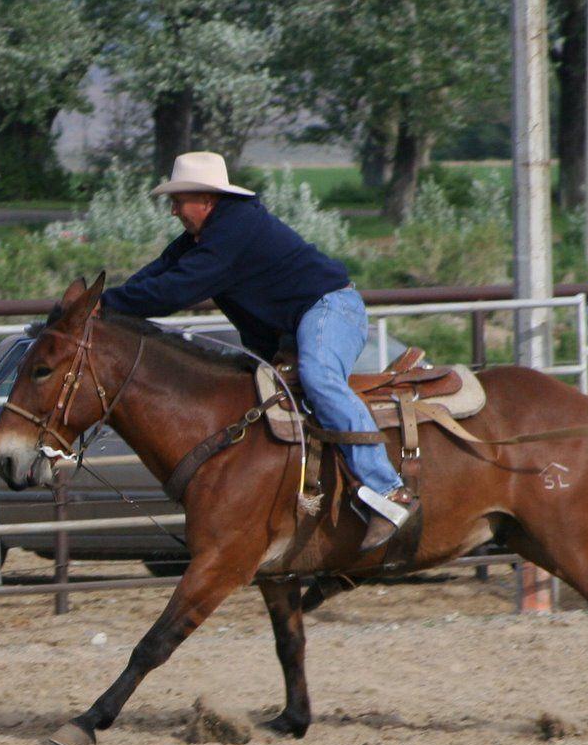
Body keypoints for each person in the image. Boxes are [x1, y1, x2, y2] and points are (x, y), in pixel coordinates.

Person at [99, 151, 415, 551]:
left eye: (178, 201)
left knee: (319, 378)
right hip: (300, 325)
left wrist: (106, 305)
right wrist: (103, 301)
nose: (174, 211)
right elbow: (160, 272)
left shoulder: (232, 231)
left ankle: (389, 491)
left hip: (330, 308)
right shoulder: (210, 235)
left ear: (206, 200)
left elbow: (175, 290)